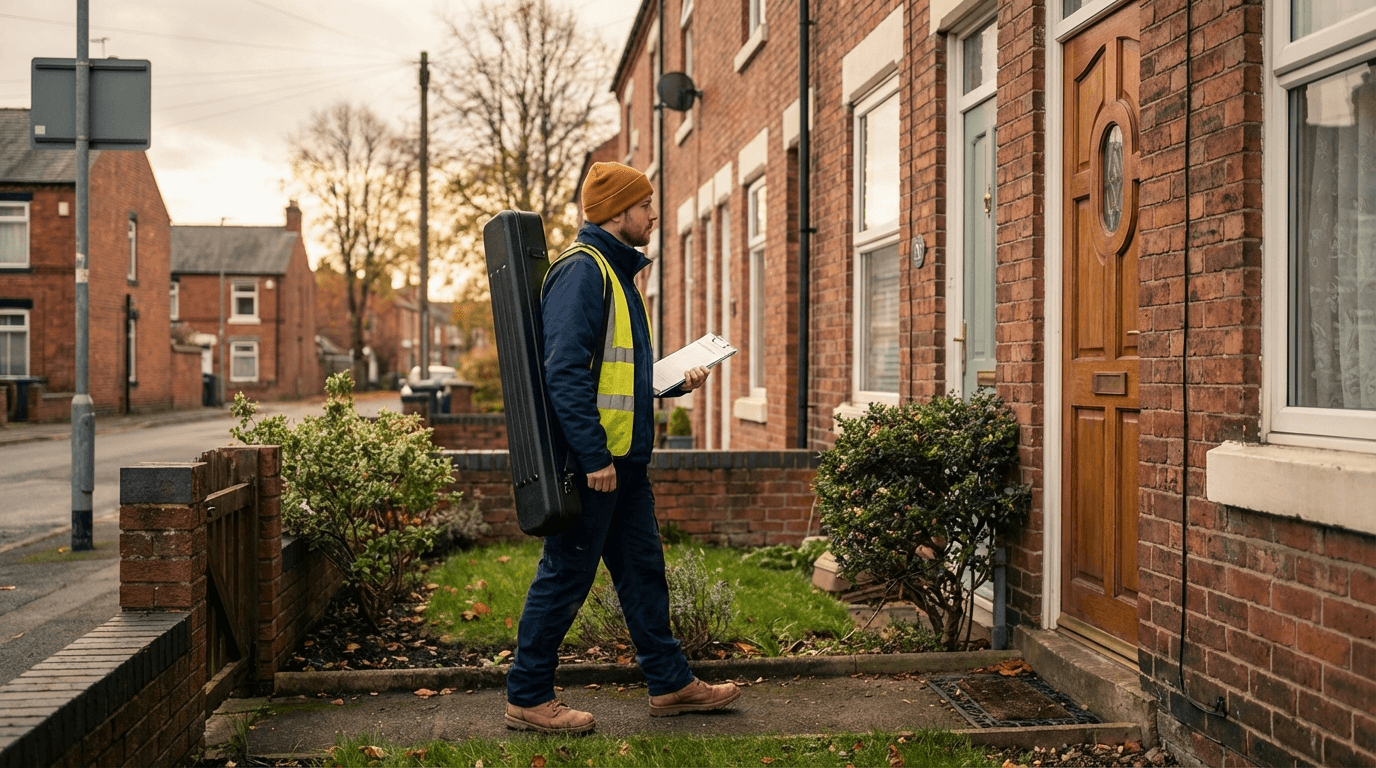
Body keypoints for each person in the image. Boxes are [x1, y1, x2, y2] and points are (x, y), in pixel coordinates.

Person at [503, 162, 740, 733]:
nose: (654, 214)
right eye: (646, 205)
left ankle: (671, 683)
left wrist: (670, 383)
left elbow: (615, 373)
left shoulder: (617, 273)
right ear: (616, 212)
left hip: (624, 463)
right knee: (565, 576)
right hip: (597, 466)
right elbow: (563, 372)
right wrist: (594, 457)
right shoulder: (583, 272)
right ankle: (527, 696)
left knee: (642, 574)